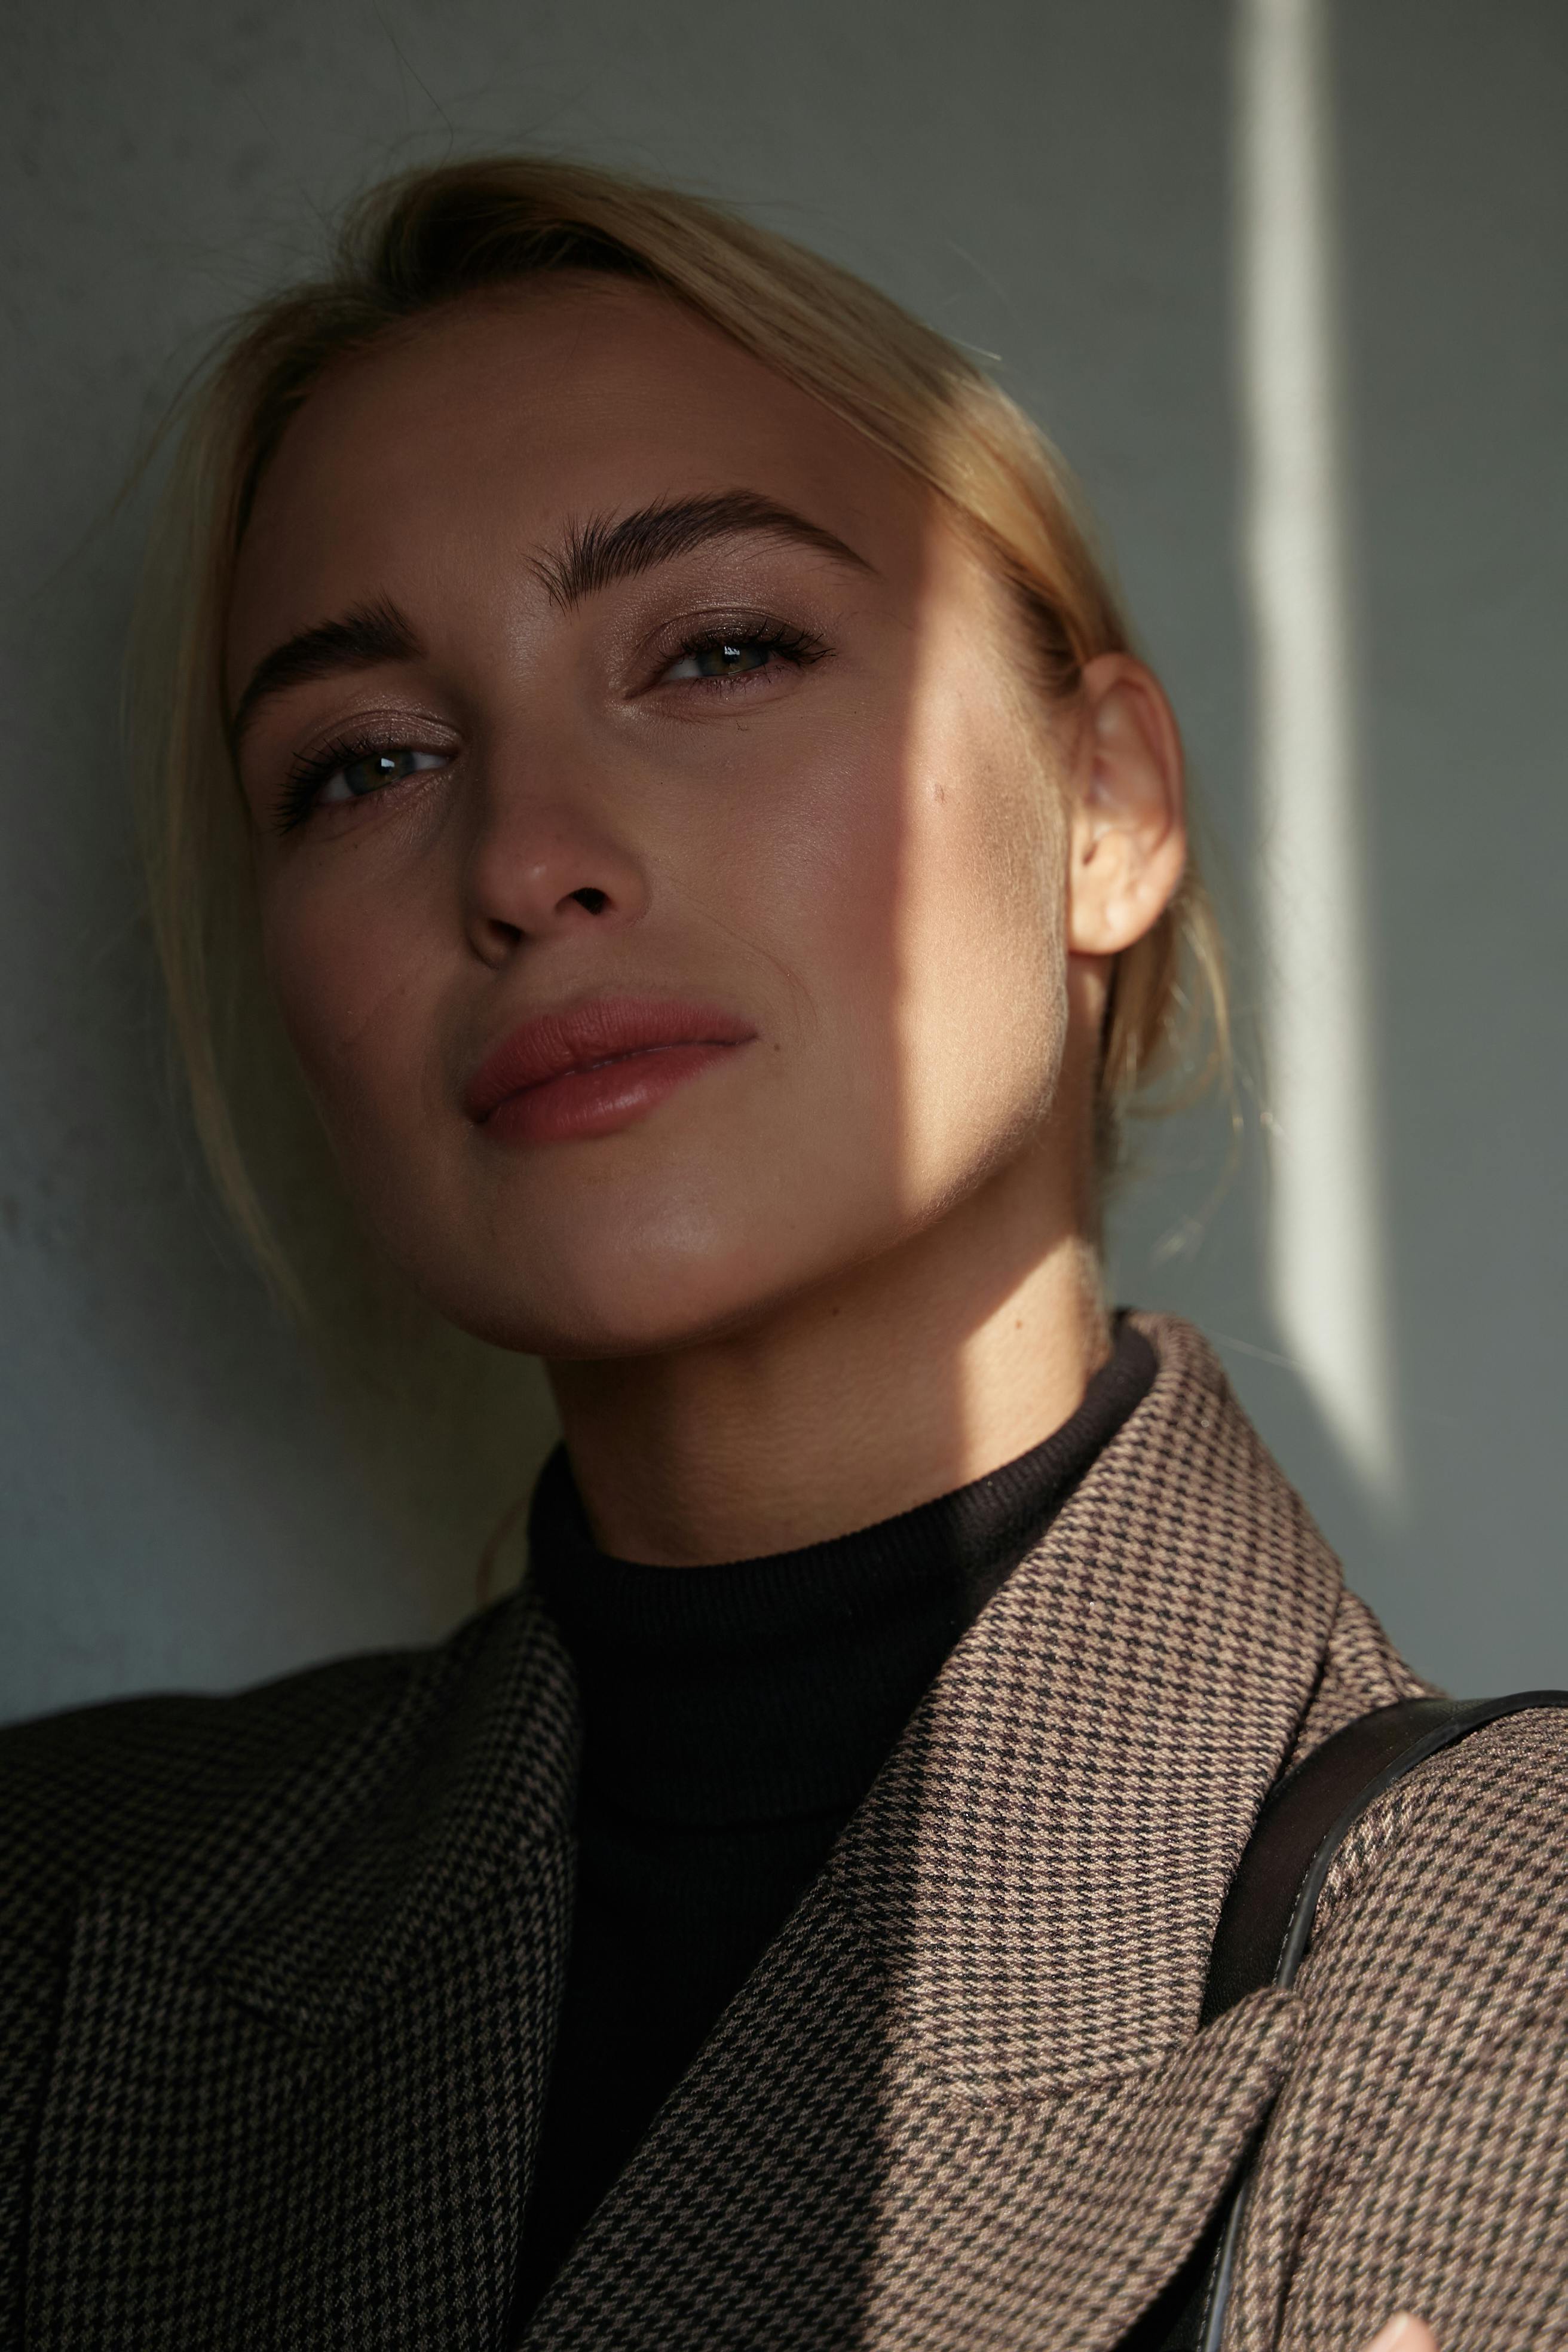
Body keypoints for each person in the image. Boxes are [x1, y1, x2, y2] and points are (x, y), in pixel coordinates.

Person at [0, 157, 1560, 2352]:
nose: (527, 860)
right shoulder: (55, 1912)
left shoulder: (1514, 1964)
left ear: (1103, 804)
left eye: (720, 649)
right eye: (361, 763)